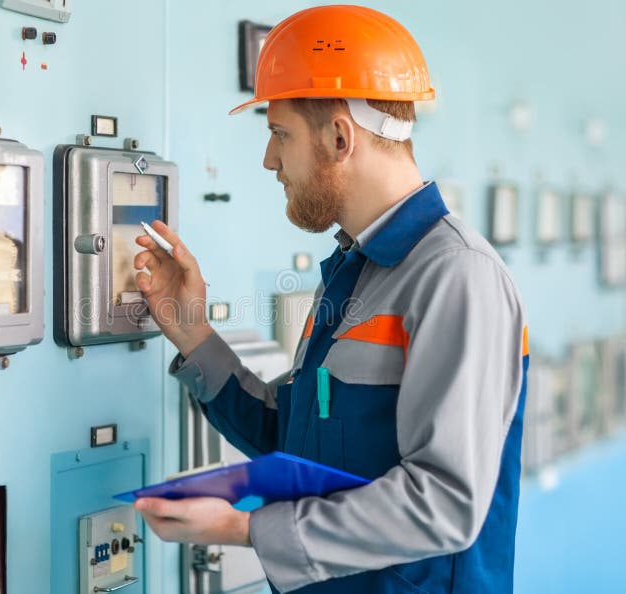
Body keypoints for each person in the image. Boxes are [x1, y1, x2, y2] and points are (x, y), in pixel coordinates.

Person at [132, 5, 529, 593]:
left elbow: (443, 503)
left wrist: (248, 529)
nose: (270, 161)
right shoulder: (357, 270)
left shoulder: (456, 276)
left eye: (279, 134)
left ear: (340, 136)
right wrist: (192, 331)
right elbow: (295, 442)